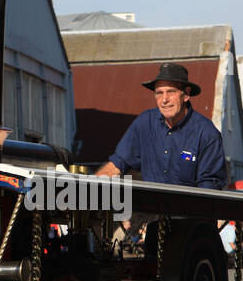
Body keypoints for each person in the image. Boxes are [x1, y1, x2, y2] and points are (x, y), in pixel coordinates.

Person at [95, 62, 226, 189]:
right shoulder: (144, 123)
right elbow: (118, 163)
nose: (164, 99)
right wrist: (88, 191)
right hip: (150, 208)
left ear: (186, 94)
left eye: (171, 92)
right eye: (159, 93)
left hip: (186, 210)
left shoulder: (207, 134)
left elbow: (209, 187)